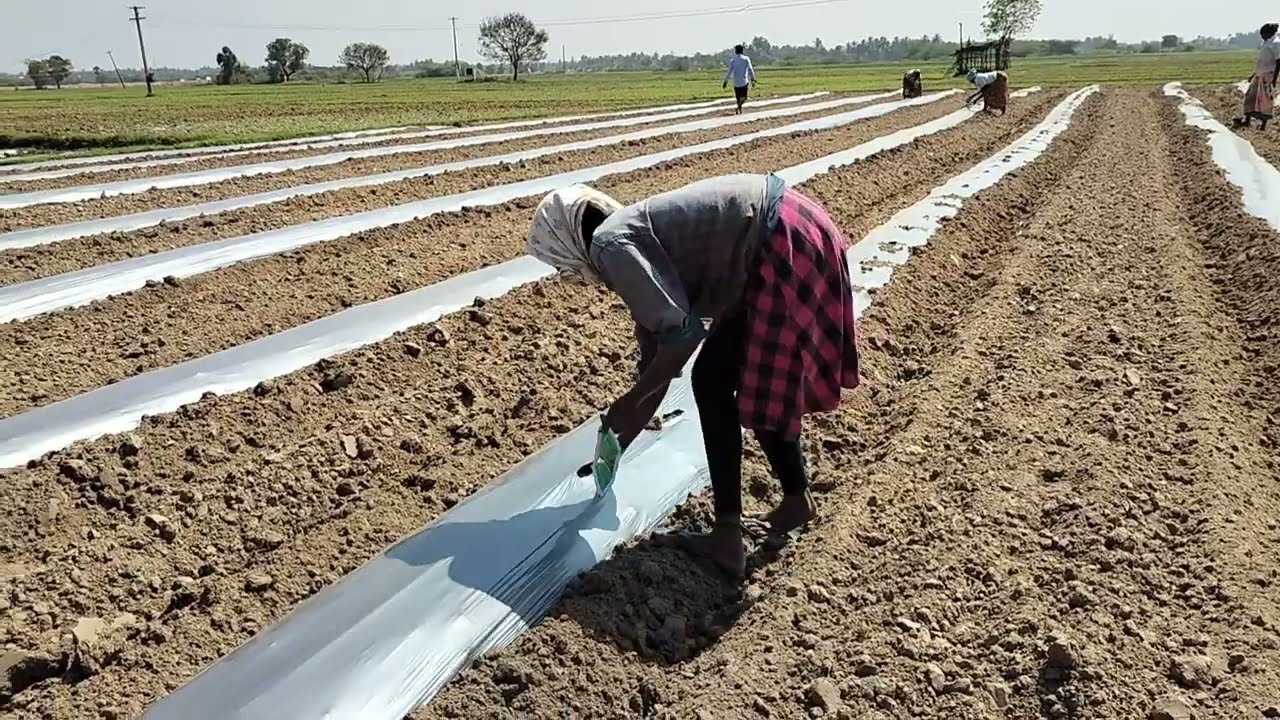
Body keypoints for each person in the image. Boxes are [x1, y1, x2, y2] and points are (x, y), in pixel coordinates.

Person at [527, 174, 860, 578]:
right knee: (719, 377)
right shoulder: (630, 235)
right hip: (790, 229)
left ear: (564, 240)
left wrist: (630, 402)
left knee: (719, 380)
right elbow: (658, 347)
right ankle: (790, 502)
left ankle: (733, 534)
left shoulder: (610, 246)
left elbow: (681, 337)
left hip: (780, 243)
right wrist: (625, 429)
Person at [1235, 23, 1279, 131]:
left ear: (1269, 33)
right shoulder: (1265, 43)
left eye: (1263, 34)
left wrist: (1274, 79)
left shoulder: (1276, 43)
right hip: (1259, 74)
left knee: (1264, 101)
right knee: (1250, 97)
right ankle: (1247, 120)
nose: (1262, 36)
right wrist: (1253, 74)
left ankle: (1263, 125)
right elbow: (1261, 61)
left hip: (1268, 74)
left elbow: (1278, 62)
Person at [723, 45, 757, 115]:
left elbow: (729, 72)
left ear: (736, 51)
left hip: (736, 82)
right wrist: (753, 79)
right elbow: (750, 69)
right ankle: (739, 108)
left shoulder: (732, 61)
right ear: (742, 51)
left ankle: (739, 110)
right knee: (744, 98)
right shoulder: (746, 59)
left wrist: (725, 81)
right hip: (744, 81)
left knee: (738, 98)